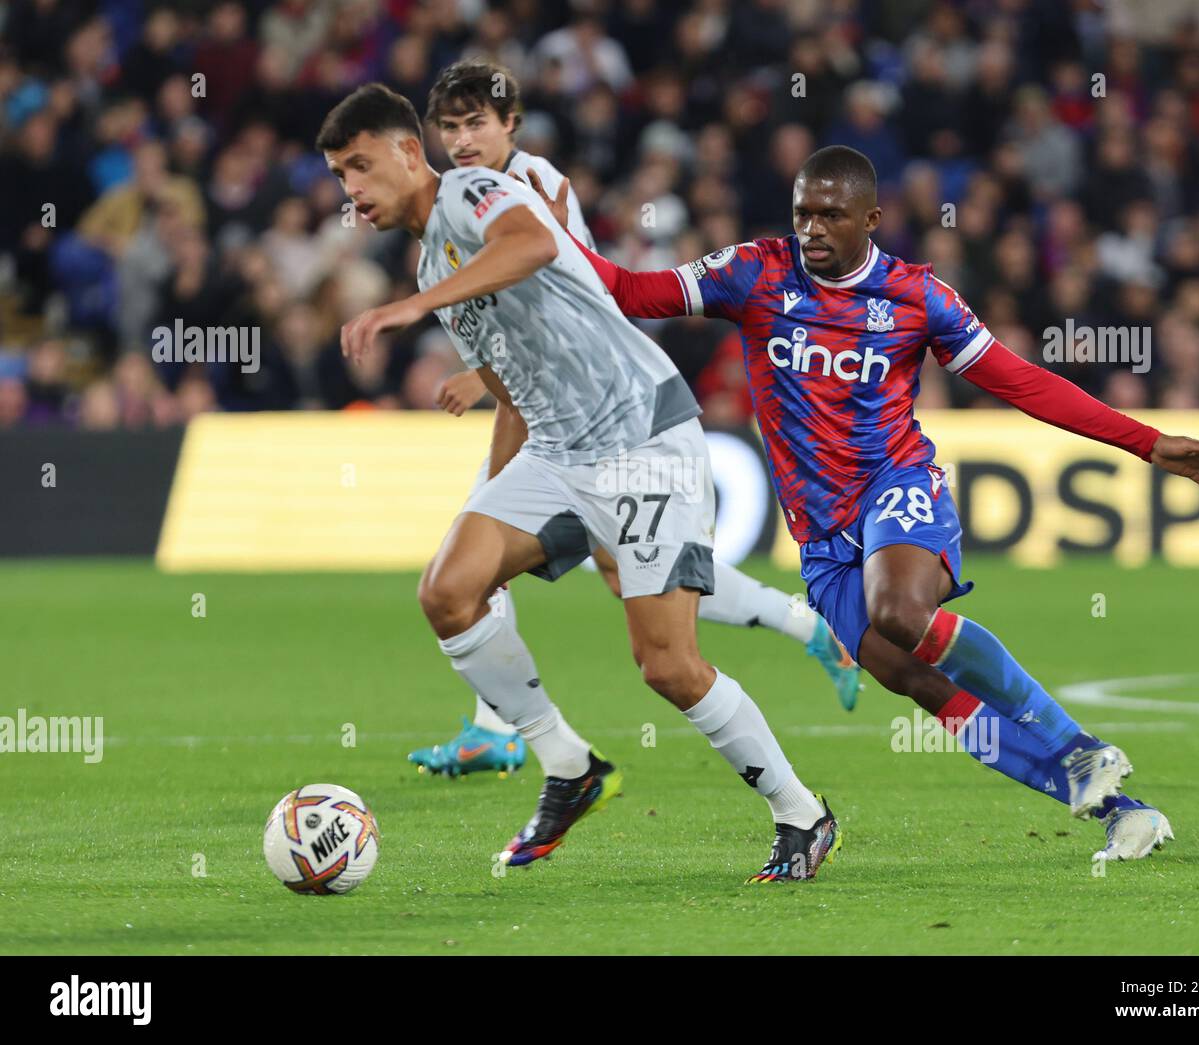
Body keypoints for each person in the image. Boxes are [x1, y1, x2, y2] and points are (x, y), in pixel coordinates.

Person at [526, 144, 1199, 862]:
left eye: (830, 215)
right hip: (821, 532)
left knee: (902, 615)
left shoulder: (916, 296)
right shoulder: (753, 272)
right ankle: (1117, 808)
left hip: (897, 487)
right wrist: (559, 239)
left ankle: (1075, 746)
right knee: (918, 682)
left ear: (870, 218)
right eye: (803, 211)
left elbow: (1021, 381)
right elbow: (629, 291)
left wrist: (1145, 441)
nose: (811, 228)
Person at [316, 83, 841, 882]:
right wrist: (492, 492)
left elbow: (527, 241)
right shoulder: (430, 255)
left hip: (642, 436)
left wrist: (408, 309)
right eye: (338, 176)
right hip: (560, 451)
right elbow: (516, 380)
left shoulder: (472, 190)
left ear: (405, 151)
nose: (351, 191)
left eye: (359, 166)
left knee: (667, 665)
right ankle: (569, 767)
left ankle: (802, 812)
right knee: (450, 588)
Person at [407, 61, 860, 782]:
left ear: (510, 125)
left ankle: (499, 727)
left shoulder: (526, 189)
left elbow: (560, 296)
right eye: (450, 127)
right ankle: (806, 626)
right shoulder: (467, 201)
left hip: (602, 406)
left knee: (509, 554)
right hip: (560, 404)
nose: (462, 140)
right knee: (600, 575)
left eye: (477, 123)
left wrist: (489, 383)